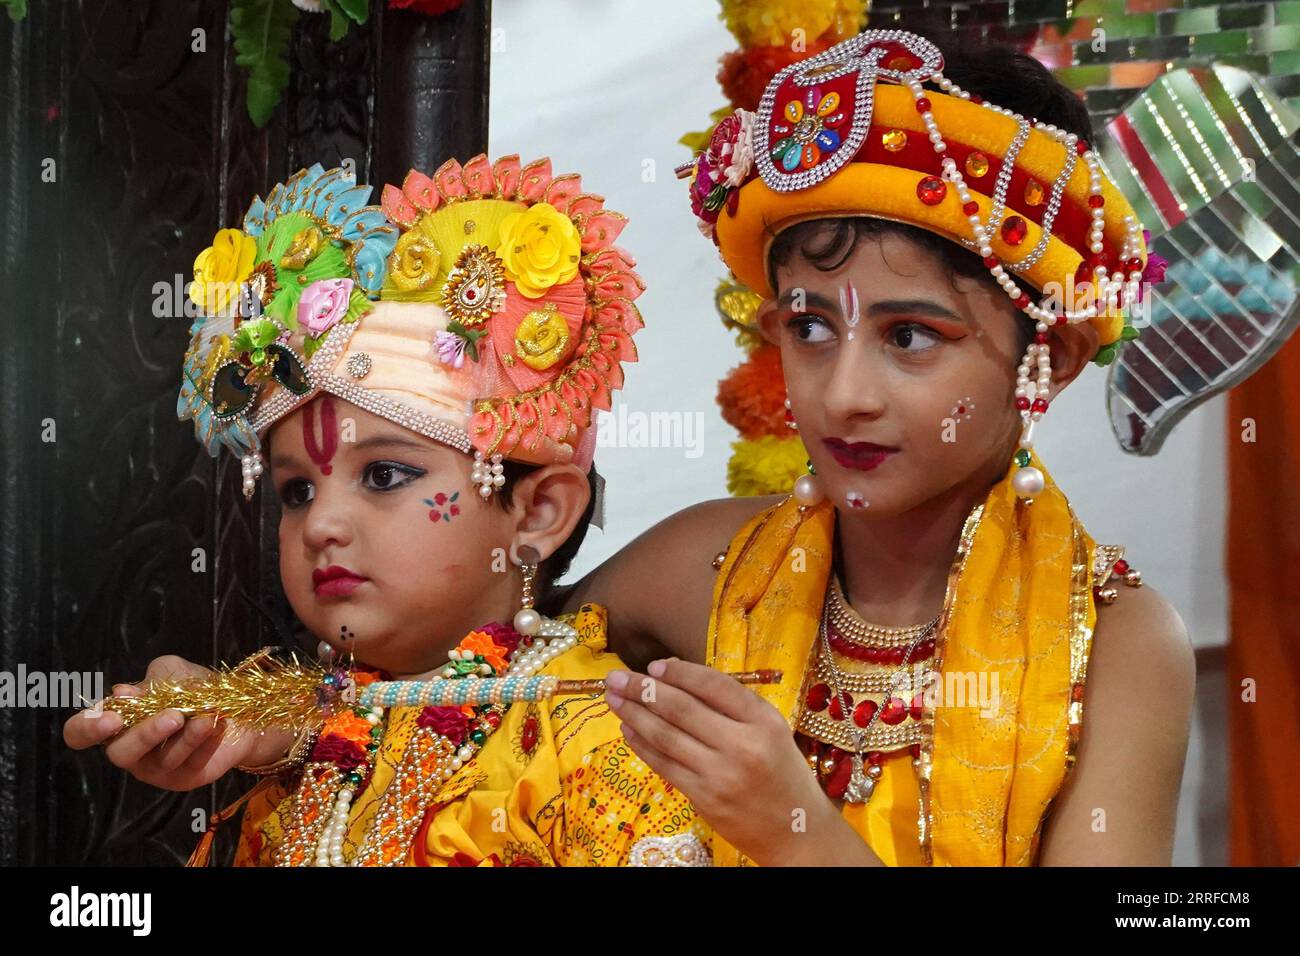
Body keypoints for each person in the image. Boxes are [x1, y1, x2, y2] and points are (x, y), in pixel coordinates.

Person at [558, 30, 1196, 866]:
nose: (845, 392)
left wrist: (796, 833)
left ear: (1052, 359)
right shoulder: (703, 568)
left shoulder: (1121, 647)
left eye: (911, 336)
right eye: (812, 326)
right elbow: (482, 668)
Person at [64, 156, 711, 867]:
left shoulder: (591, 741)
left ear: (538, 514)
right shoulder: (304, 749)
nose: (322, 525)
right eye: (296, 492)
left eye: (384, 474)